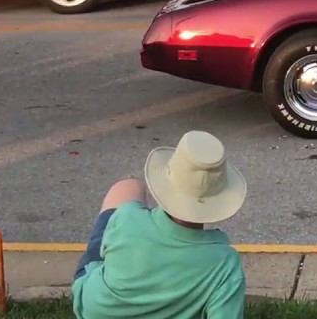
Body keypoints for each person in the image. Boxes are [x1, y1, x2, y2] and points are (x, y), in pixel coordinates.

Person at [72, 130, 246, 319]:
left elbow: (105, 252)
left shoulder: (128, 216)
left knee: (128, 187)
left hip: (95, 311)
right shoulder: (225, 264)